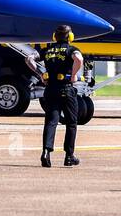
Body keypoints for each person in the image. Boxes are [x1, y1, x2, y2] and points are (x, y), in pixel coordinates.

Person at [26, 24, 83, 167]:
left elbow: (29, 59)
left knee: (51, 121)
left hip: (50, 89)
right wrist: (74, 75)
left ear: (54, 36)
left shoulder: (47, 50)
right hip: (66, 89)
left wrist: (41, 74)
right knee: (71, 123)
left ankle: (46, 153)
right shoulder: (71, 50)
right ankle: (69, 156)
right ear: (70, 37)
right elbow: (79, 60)